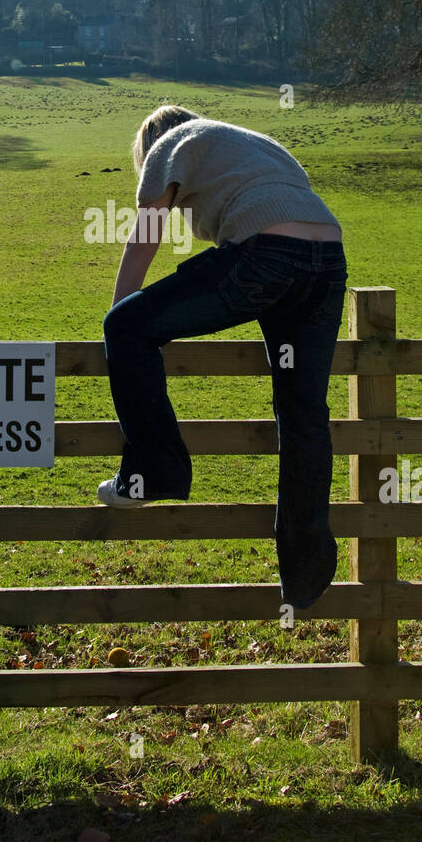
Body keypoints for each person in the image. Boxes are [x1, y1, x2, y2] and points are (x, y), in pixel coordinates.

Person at [99, 105, 348, 611]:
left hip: (267, 254)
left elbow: (147, 232)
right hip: (327, 261)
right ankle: (306, 571)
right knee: (304, 415)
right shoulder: (252, 142)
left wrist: (120, 310)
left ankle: (154, 471)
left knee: (127, 327)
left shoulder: (172, 142)